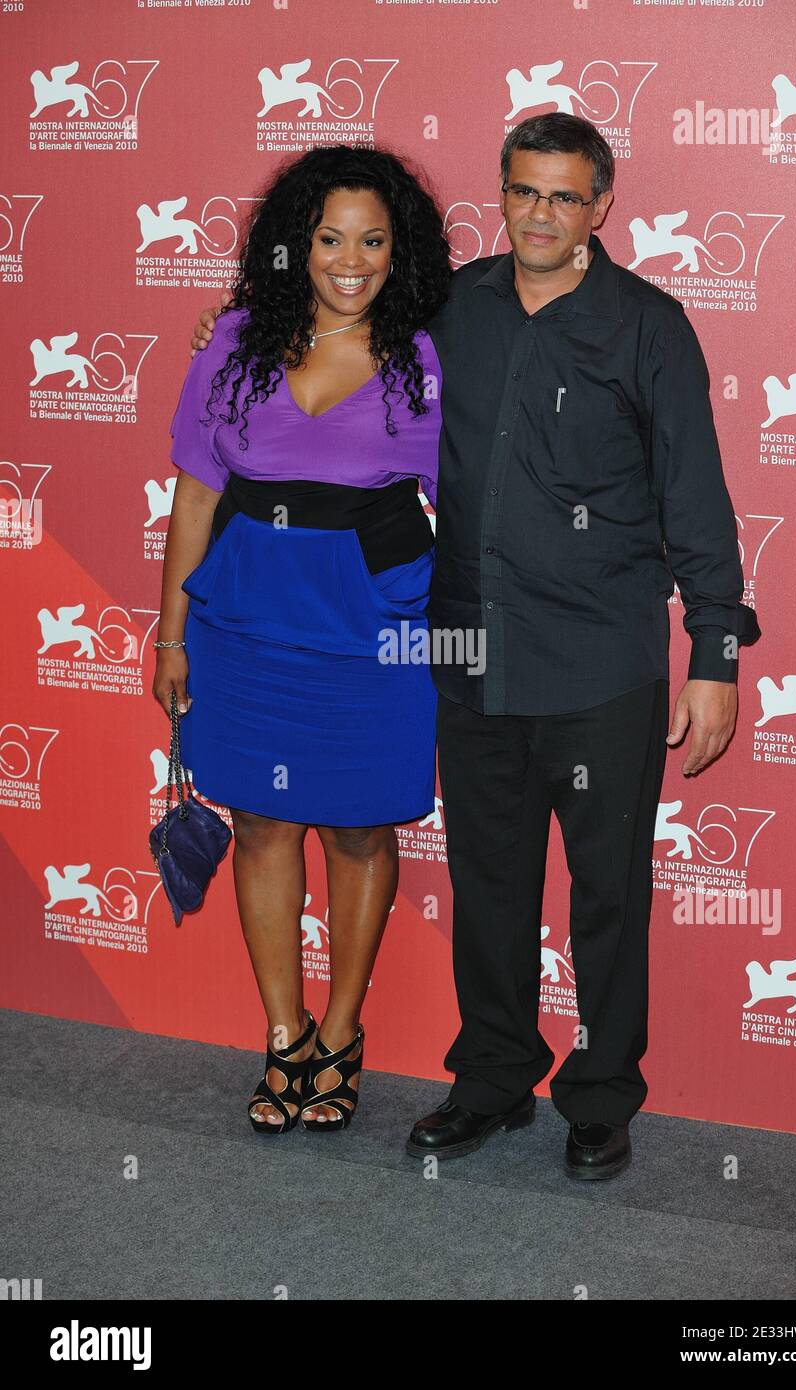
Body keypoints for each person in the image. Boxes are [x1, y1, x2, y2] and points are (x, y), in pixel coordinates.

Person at [189, 114, 760, 1178]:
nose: (540, 214)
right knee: (491, 888)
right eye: (522, 192)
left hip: (600, 661)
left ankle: (598, 1096)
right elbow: (331, 329)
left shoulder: (649, 326)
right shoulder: (449, 312)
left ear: (601, 205)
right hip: (464, 647)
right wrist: (232, 328)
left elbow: (695, 499)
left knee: (605, 895)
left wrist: (716, 653)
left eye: (563, 195)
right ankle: (493, 1080)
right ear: (499, 194)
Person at [155, 145, 450, 1136]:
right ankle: (282, 1036)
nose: (350, 258)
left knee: (363, 828)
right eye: (330, 238)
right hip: (247, 622)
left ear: (398, 250)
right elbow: (195, 493)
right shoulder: (232, 339)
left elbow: (474, 505)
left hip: (377, 630)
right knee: (264, 825)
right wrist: (170, 633)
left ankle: (340, 1031)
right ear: (297, 244)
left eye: (373, 239)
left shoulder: (428, 356)